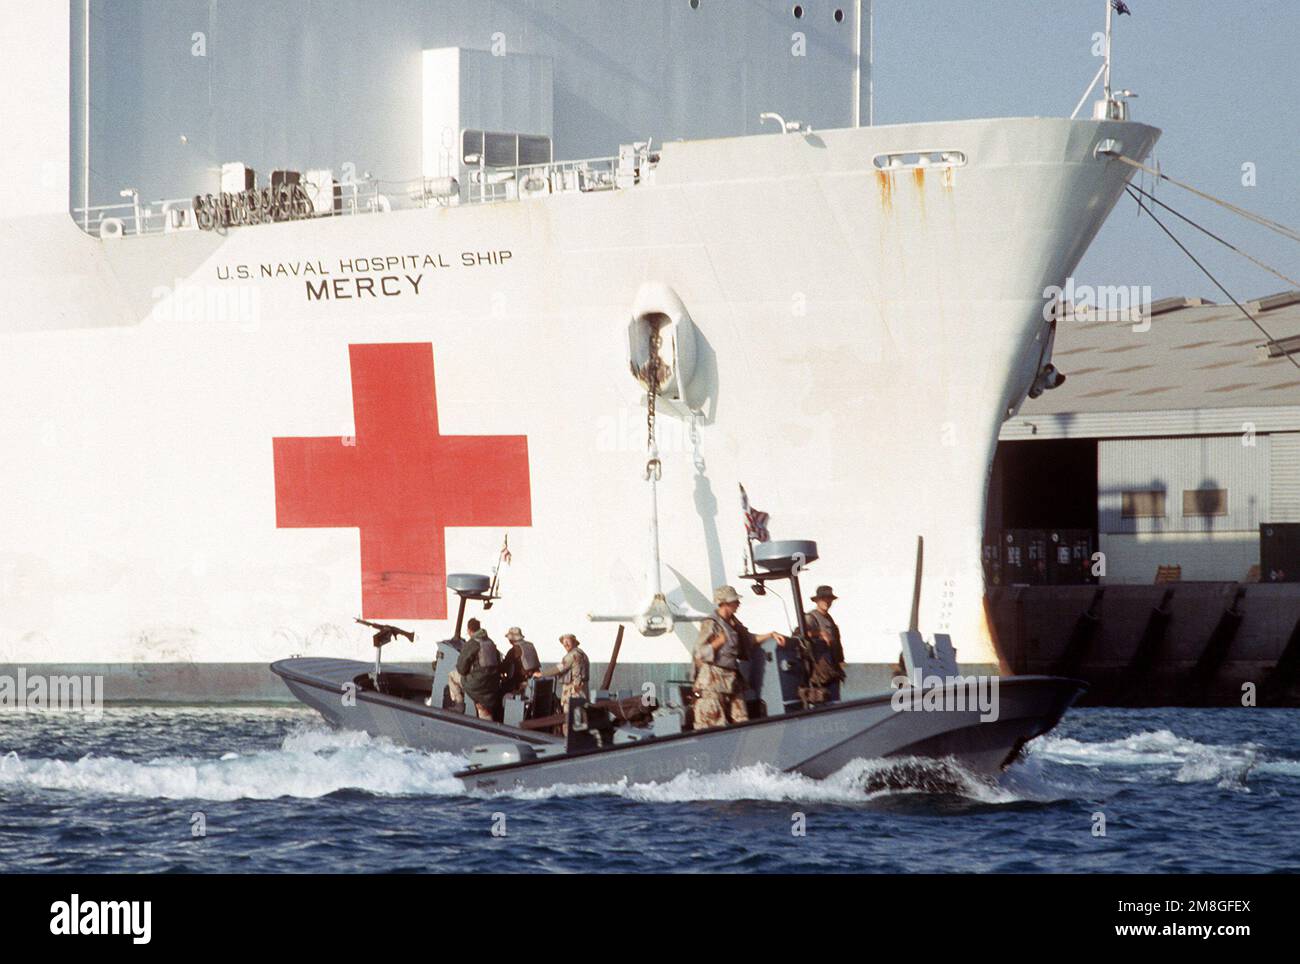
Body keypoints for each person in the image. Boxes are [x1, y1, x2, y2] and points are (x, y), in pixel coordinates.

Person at [692, 585, 786, 729]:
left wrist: (771, 634)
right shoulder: (711, 623)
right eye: (735, 601)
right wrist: (718, 642)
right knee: (713, 723)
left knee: (741, 720)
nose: (738, 604)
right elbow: (699, 652)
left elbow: (749, 640)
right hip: (713, 680)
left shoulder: (734, 624)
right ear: (724, 603)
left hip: (732, 678)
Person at [533, 633, 589, 732]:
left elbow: (558, 669)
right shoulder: (583, 654)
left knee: (569, 719)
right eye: (564, 642)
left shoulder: (572, 655)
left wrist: (541, 674)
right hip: (582, 690)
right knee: (580, 718)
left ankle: (568, 742)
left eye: (568, 641)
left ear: (574, 642)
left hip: (572, 691)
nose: (565, 644)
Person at [447, 618, 501, 720]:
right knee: (483, 706)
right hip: (492, 683)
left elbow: (461, 669)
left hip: (478, 684)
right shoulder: (490, 642)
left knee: (452, 675)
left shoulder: (472, 643)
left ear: (469, 630)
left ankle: (459, 705)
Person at [804, 585, 847, 700]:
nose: (827, 602)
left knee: (835, 703)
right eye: (824, 598)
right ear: (817, 600)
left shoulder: (829, 618)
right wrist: (820, 634)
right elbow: (802, 634)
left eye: (829, 599)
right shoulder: (810, 617)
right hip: (819, 672)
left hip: (832, 670)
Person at [499, 626, 540, 695]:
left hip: (521, 682)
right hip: (534, 680)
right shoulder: (530, 645)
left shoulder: (514, 650)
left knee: (500, 691)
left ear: (512, 639)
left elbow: (504, 667)